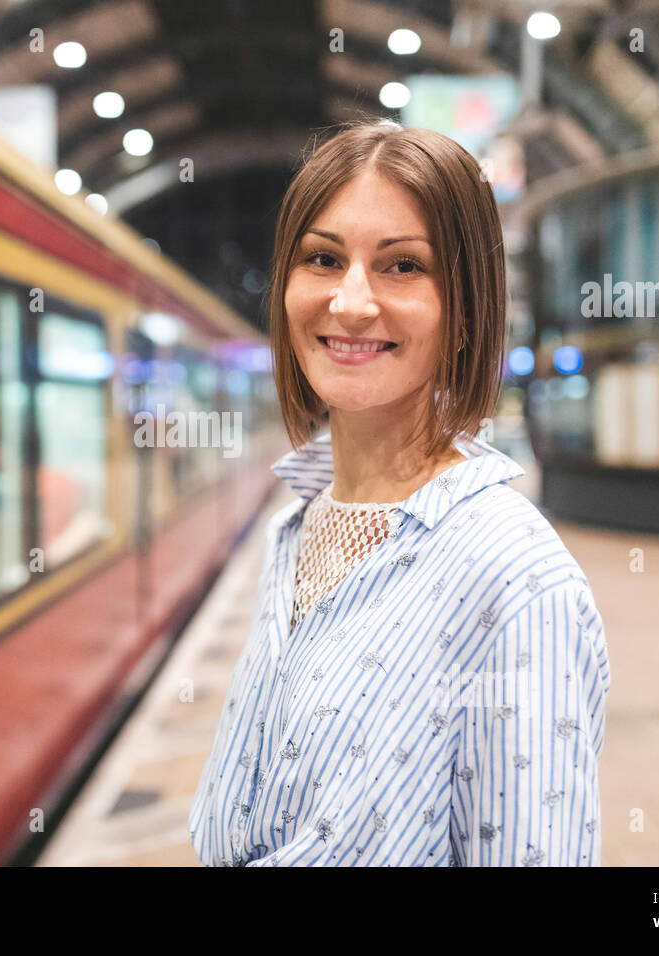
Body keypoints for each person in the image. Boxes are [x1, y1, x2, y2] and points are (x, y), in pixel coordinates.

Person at [187, 120, 611, 866]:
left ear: (465, 310)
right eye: (323, 258)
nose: (350, 303)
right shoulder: (296, 528)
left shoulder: (513, 577)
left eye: (402, 266)